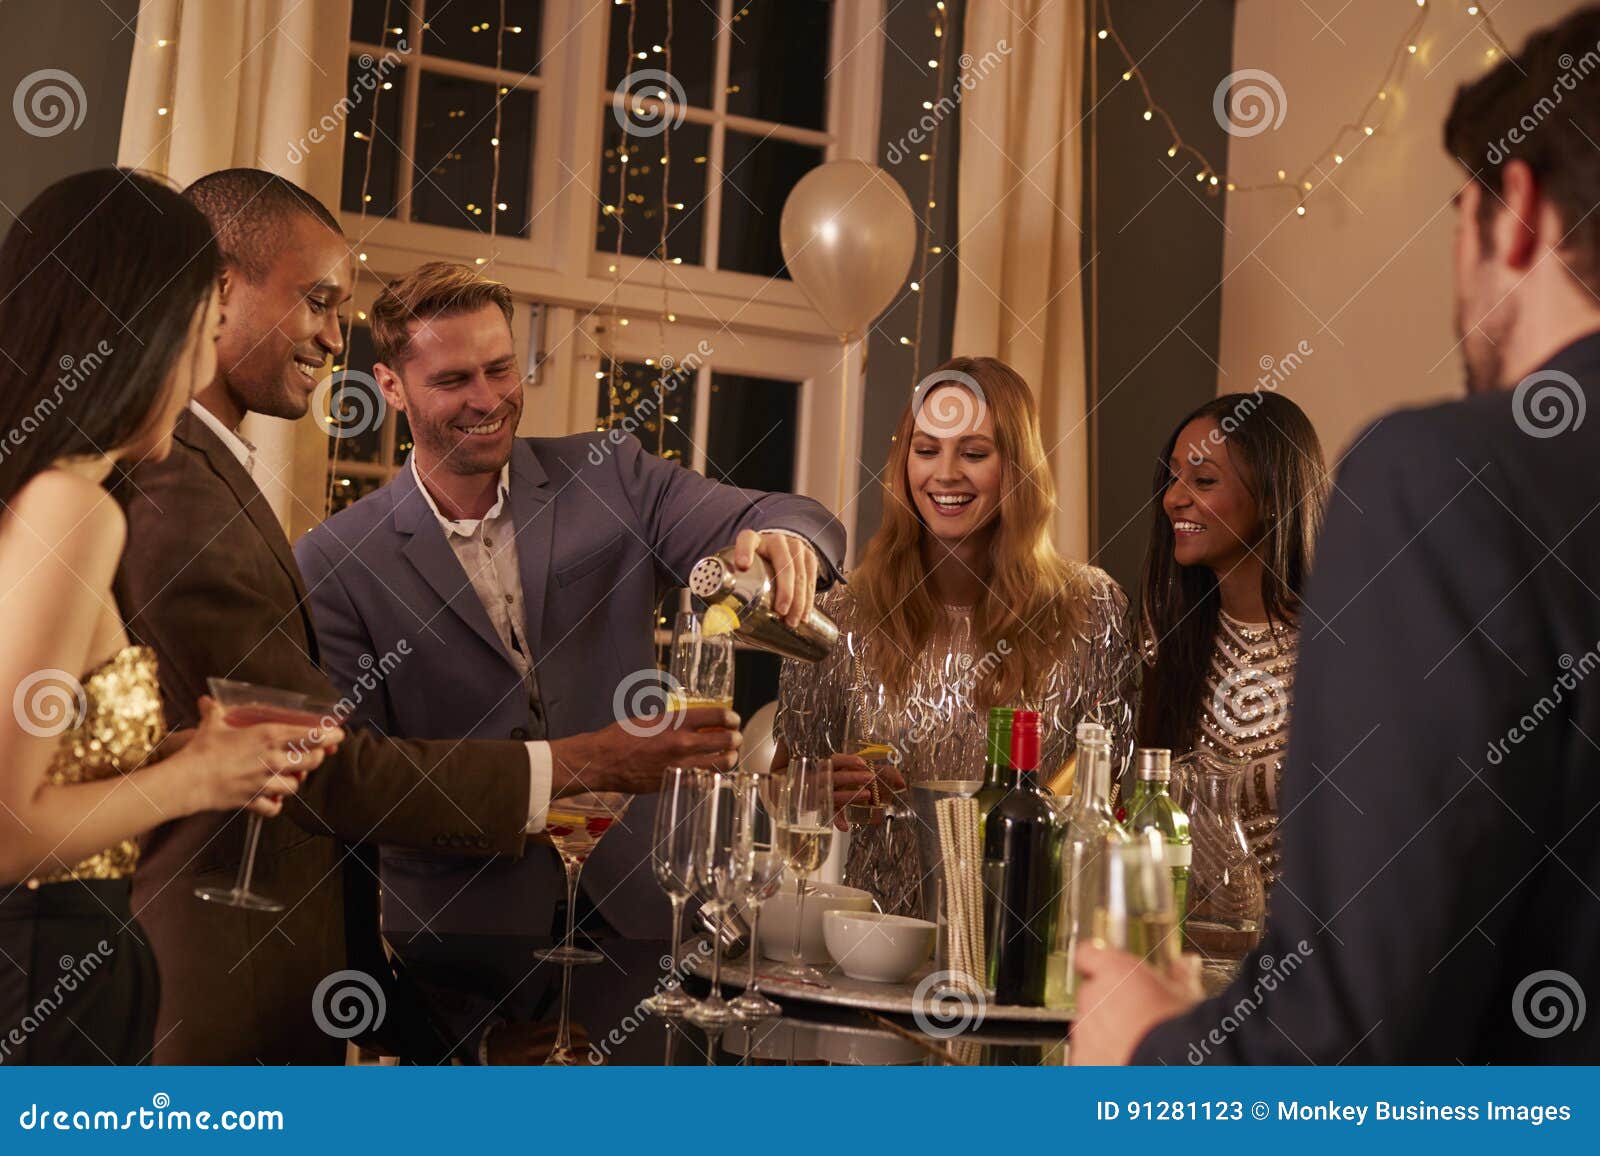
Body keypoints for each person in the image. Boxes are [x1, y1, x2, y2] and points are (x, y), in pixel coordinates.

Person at [1074, 5, 1600, 1064]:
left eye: (1458, 211)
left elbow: (1344, 1042)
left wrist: (1143, 1040)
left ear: (1516, 213)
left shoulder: (1442, 481)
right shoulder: (1154, 643)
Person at [108, 172, 664, 1066]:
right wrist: (577, 765)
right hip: (225, 997)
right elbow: (321, 774)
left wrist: (445, 1043)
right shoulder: (180, 488)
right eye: (318, 300)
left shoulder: (211, 477)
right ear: (217, 289)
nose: (332, 333)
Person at [293, 261, 846, 949]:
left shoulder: (609, 474)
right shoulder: (334, 561)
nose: (487, 399)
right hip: (459, 951)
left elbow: (783, 513)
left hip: (647, 920)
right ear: (390, 388)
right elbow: (360, 783)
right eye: (454, 380)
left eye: (500, 369)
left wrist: (788, 540)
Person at [0, 169, 341, 1065]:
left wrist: (174, 754)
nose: (199, 364)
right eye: (199, 326)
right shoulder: (73, 509)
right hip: (46, 978)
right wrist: (201, 781)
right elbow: (3, 827)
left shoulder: (42, 496)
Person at [777, 356, 1134, 916]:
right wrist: (816, 790)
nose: (945, 473)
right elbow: (782, 787)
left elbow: (1111, 787)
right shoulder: (839, 615)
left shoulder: (1091, 608)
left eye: (973, 453)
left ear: (1015, 467)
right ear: (903, 464)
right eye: (926, 450)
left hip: (1025, 941)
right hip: (874, 941)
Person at [1137, 392, 1328, 894]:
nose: (1174, 498)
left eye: (1202, 480)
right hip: (1182, 951)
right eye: (1173, 477)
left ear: (1271, 496)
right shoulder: (1170, 642)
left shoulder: (1342, 651)